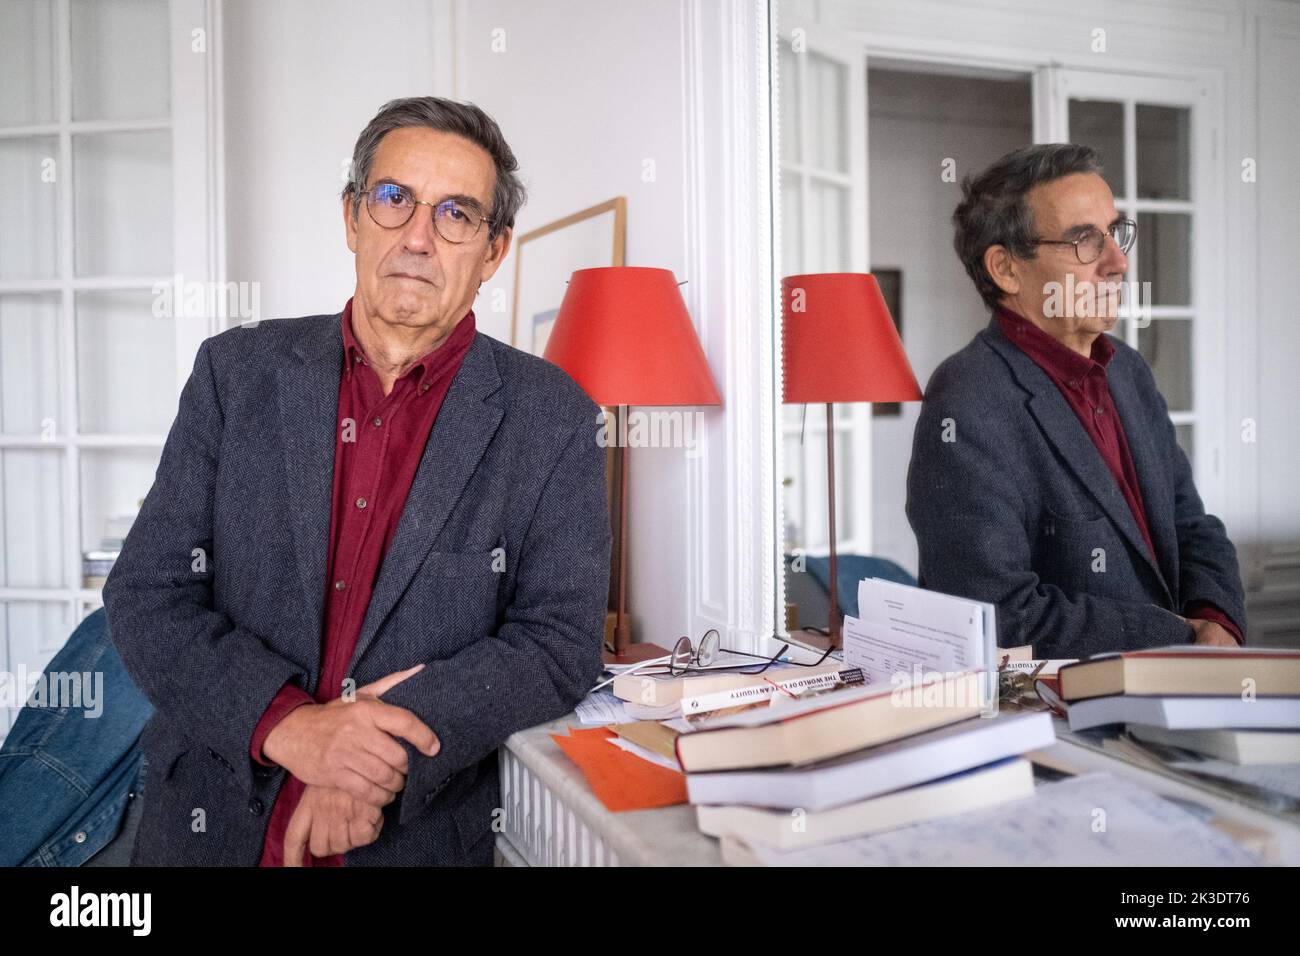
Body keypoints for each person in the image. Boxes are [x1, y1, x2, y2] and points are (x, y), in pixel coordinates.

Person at [104, 96, 612, 866]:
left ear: (494, 249)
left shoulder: (554, 418)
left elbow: (558, 642)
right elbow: (148, 593)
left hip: (413, 837)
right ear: (351, 217)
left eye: (455, 214)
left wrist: (373, 755)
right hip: (209, 826)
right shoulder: (235, 375)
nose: (417, 236)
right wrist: (292, 728)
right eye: (393, 198)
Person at [906, 143, 1244, 659]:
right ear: (1006, 268)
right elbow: (996, 614)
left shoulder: (1128, 371)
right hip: (1068, 722)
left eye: (1115, 233)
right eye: (1085, 241)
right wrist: (1179, 638)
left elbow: (1191, 525)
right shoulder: (966, 400)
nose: (1118, 262)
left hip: (1189, 687)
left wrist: (1217, 620)